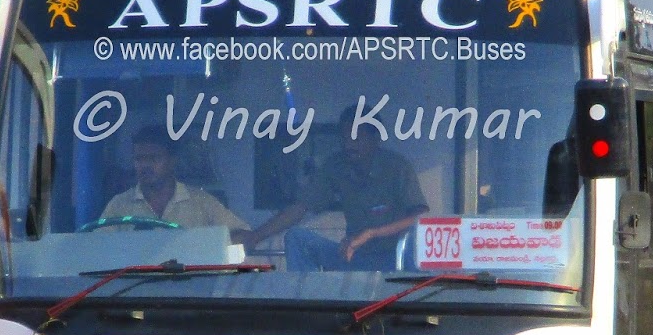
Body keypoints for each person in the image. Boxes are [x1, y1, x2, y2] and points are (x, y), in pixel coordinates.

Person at [240, 106, 428, 271]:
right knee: (296, 238)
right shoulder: (336, 165)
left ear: (375, 138)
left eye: (356, 138)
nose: (348, 144)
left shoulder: (397, 167)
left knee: (413, 251)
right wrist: (256, 236)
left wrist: (371, 233)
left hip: (393, 261)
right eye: (344, 138)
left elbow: (420, 218)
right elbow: (301, 207)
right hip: (353, 257)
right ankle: (309, 300)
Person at [98, 125, 246, 235]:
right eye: (139, 159)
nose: (145, 165)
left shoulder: (202, 203)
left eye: (154, 158)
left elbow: (241, 236)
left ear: (172, 161)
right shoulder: (118, 206)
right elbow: (99, 249)